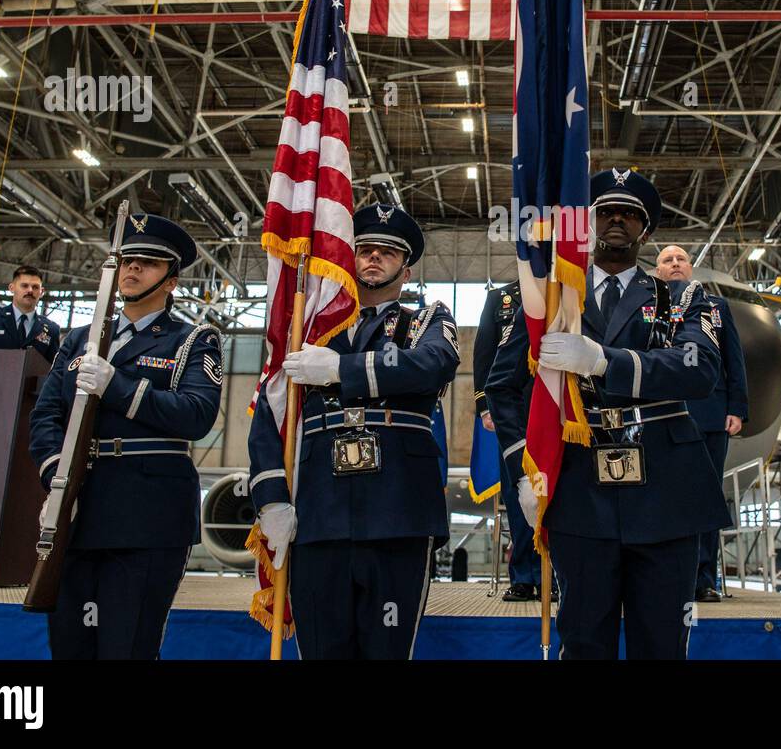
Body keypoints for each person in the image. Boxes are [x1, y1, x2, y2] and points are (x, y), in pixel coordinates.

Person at [486, 168, 728, 659]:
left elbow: (699, 368)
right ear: (587, 226)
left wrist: (603, 361)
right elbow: (504, 387)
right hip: (578, 486)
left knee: (662, 643)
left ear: (646, 231)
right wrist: (523, 470)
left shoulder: (684, 297)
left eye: (630, 215)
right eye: (606, 213)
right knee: (583, 641)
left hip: (666, 488)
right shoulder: (550, 298)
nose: (617, 221)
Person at [248, 204, 459, 660]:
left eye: (387, 252)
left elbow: (432, 365)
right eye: (364, 249)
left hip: (398, 512)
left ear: (407, 268)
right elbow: (271, 410)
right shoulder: (308, 326)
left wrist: (341, 369)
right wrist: (270, 499)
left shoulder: (427, 320)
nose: (374, 259)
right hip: (318, 512)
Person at [29, 214, 223, 659]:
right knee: (71, 647)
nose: (132, 269)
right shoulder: (79, 339)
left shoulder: (192, 340)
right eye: (127, 261)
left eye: (148, 263)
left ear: (171, 281)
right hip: (78, 512)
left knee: (126, 648)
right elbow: (45, 418)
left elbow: (196, 415)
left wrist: (115, 386)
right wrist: (58, 479)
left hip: (146, 519)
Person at [655, 245, 749, 602]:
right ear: (658, 270)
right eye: (667, 260)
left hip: (709, 413)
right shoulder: (648, 306)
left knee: (706, 496)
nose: (675, 263)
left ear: (691, 267)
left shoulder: (716, 308)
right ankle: (666, 576)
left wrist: (737, 408)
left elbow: (733, 360)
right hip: (662, 413)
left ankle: (704, 578)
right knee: (664, 497)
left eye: (681, 259)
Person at [473, 279, 543, 601]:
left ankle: (553, 576)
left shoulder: (565, 290)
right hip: (512, 411)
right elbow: (484, 353)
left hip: (555, 408)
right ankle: (524, 575)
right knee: (518, 495)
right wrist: (485, 406)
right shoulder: (500, 298)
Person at [0, 265, 61, 363]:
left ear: (41, 292)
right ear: (11, 288)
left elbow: (53, 370)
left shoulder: (51, 330)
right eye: (24, 286)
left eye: (35, 287)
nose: (30, 290)